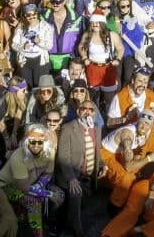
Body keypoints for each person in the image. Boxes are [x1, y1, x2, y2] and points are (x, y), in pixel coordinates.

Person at [56, 99, 104, 237]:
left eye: (91, 109)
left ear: (94, 113)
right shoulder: (68, 128)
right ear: (78, 111)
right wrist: (71, 178)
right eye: (84, 108)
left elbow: (97, 152)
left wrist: (102, 165)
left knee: (85, 201)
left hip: (87, 175)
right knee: (76, 196)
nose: (87, 112)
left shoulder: (96, 128)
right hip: (72, 175)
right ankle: (77, 228)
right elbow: (63, 157)